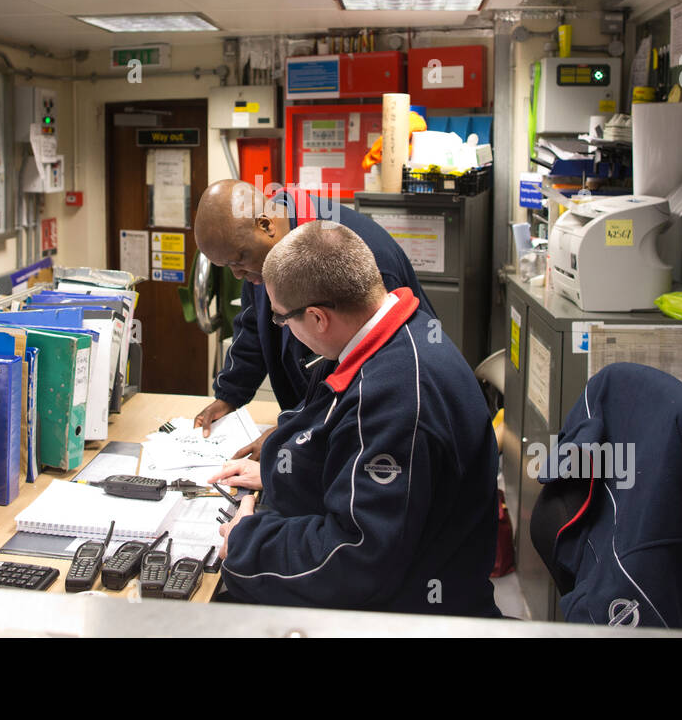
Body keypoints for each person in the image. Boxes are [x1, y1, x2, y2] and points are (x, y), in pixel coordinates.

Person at [210, 221, 500, 617]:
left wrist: (249, 541)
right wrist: (282, 472)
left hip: (412, 614)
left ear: (317, 318)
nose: (282, 328)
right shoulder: (391, 337)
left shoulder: (395, 397)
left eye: (281, 319)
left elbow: (355, 557)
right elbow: (344, 444)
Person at [192, 179, 433, 459]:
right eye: (227, 266)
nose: (237, 274)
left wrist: (297, 425)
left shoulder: (349, 257)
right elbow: (254, 326)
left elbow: (377, 377)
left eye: (239, 260)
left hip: (384, 431)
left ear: (266, 225)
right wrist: (229, 396)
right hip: (318, 424)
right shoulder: (261, 254)